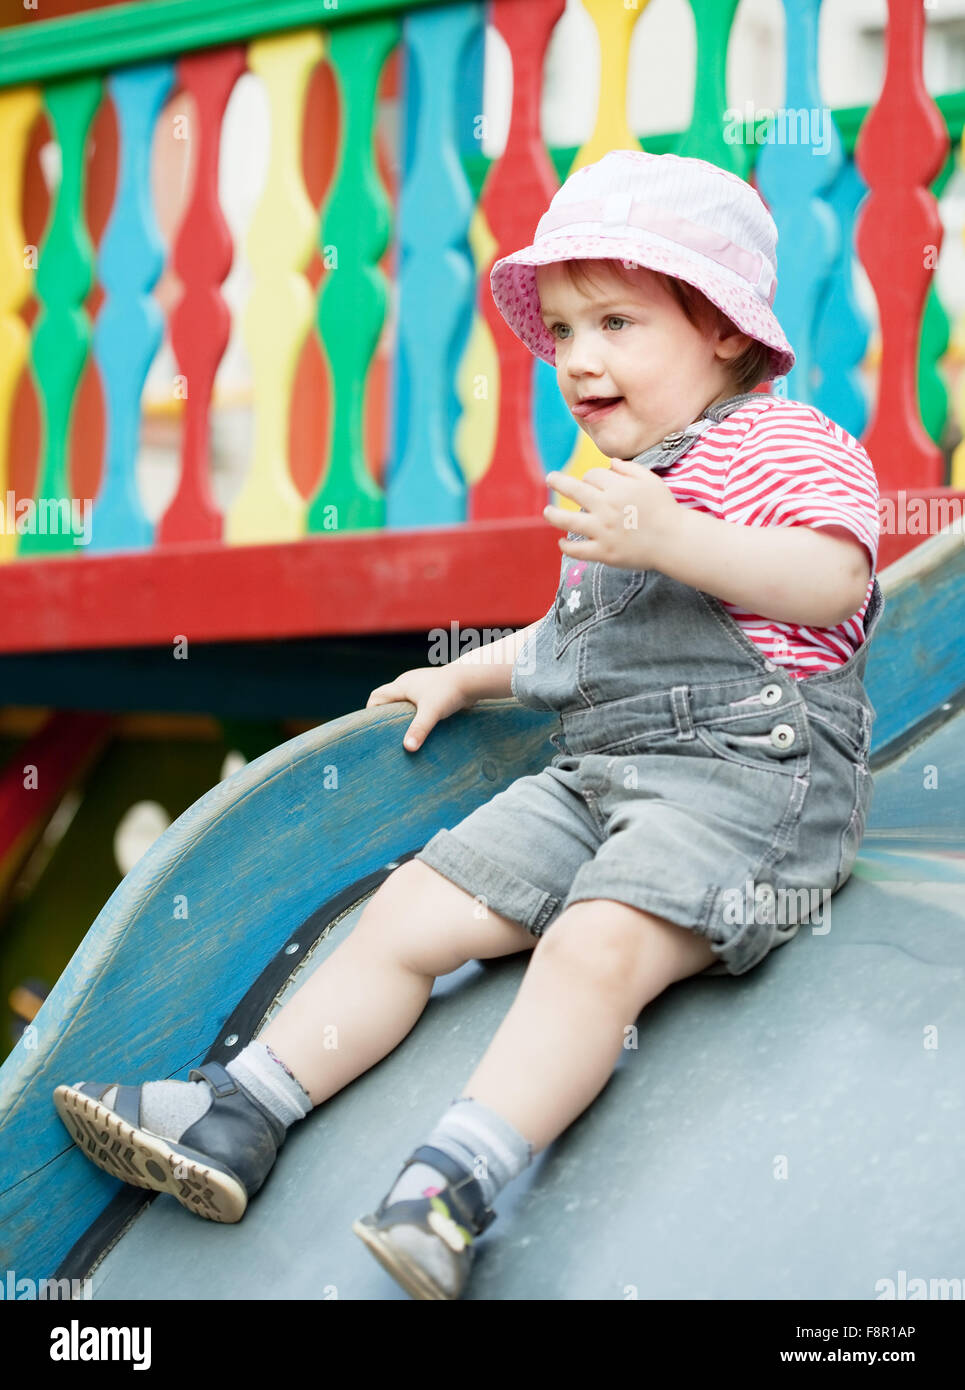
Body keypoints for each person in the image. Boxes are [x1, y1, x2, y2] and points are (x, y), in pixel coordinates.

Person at [53, 149, 884, 1302]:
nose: (579, 357)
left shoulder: (777, 444)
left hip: (750, 781)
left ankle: (456, 1181)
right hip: (600, 768)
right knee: (415, 905)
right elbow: (575, 643)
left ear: (726, 334)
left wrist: (674, 537)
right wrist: (463, 677)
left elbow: (831, 581)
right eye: (561, 328)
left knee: (594, 943)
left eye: (615, 321)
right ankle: (242, 1107)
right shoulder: (623, 482)